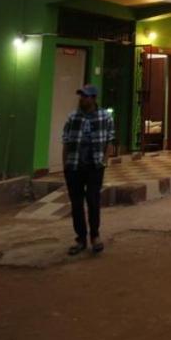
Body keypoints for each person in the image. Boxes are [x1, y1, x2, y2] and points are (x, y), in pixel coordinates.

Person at [61, 84, 115, 256]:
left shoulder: (104, 117)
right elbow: (66, 142)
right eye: (81, 96)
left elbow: (110, 141)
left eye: (85, 96)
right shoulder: (73, 118)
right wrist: (65, 166)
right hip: (74, 166)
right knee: (76, 204)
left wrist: (104, 161)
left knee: (93, 201)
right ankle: (80, 239)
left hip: (95, 166)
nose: (82, 99)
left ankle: (95, 236)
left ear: (93, 99)